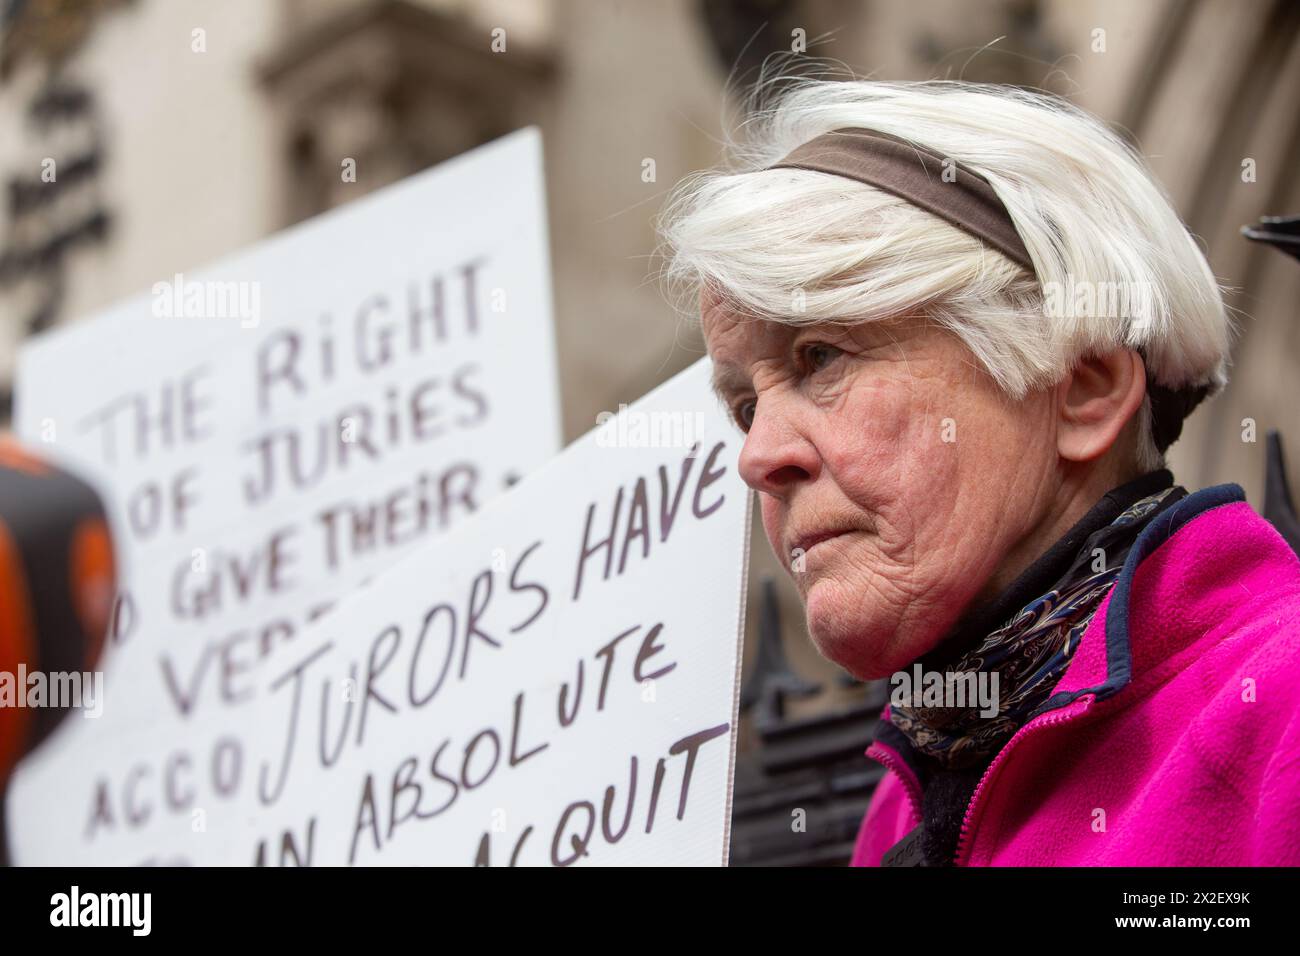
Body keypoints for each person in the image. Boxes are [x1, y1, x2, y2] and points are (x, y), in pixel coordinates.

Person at [658, 77, 1300, 865]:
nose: (758, 458)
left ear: (1084, 390)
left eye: (820, 356)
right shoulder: (903, 805)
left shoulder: (1282, 705)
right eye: (746, 407)